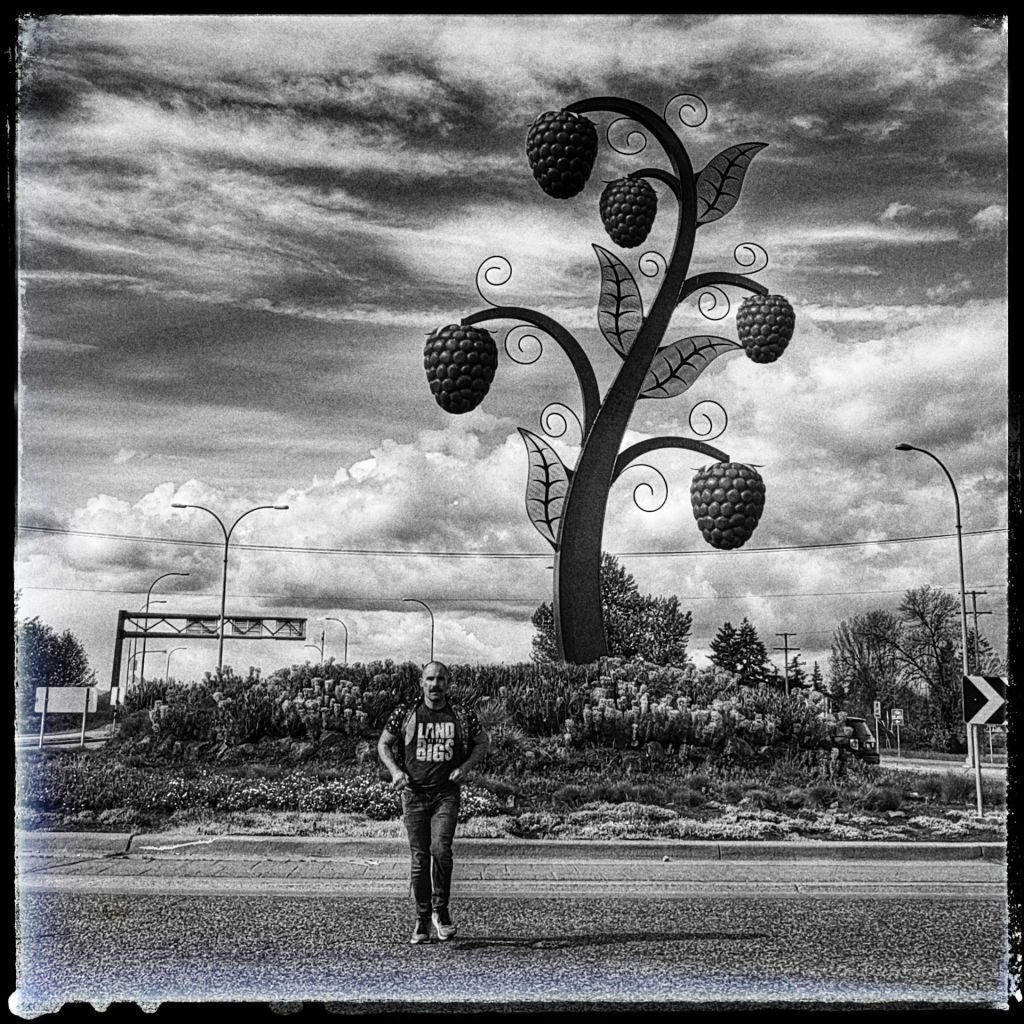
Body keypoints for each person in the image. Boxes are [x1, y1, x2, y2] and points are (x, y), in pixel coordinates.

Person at [377, 661, 490, 944]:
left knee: (440, 850)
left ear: (447, 683)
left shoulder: (461, 714)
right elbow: (384, 744)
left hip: (445, 794)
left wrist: (465, 768)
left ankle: (441, 911)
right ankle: (422, 919)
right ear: (421, 682)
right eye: (430, 679)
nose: (435, 684)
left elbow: (482, 742)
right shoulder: (406, 713)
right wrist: (395, 771)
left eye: (440, 679)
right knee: (419, 857)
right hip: (413, 793)